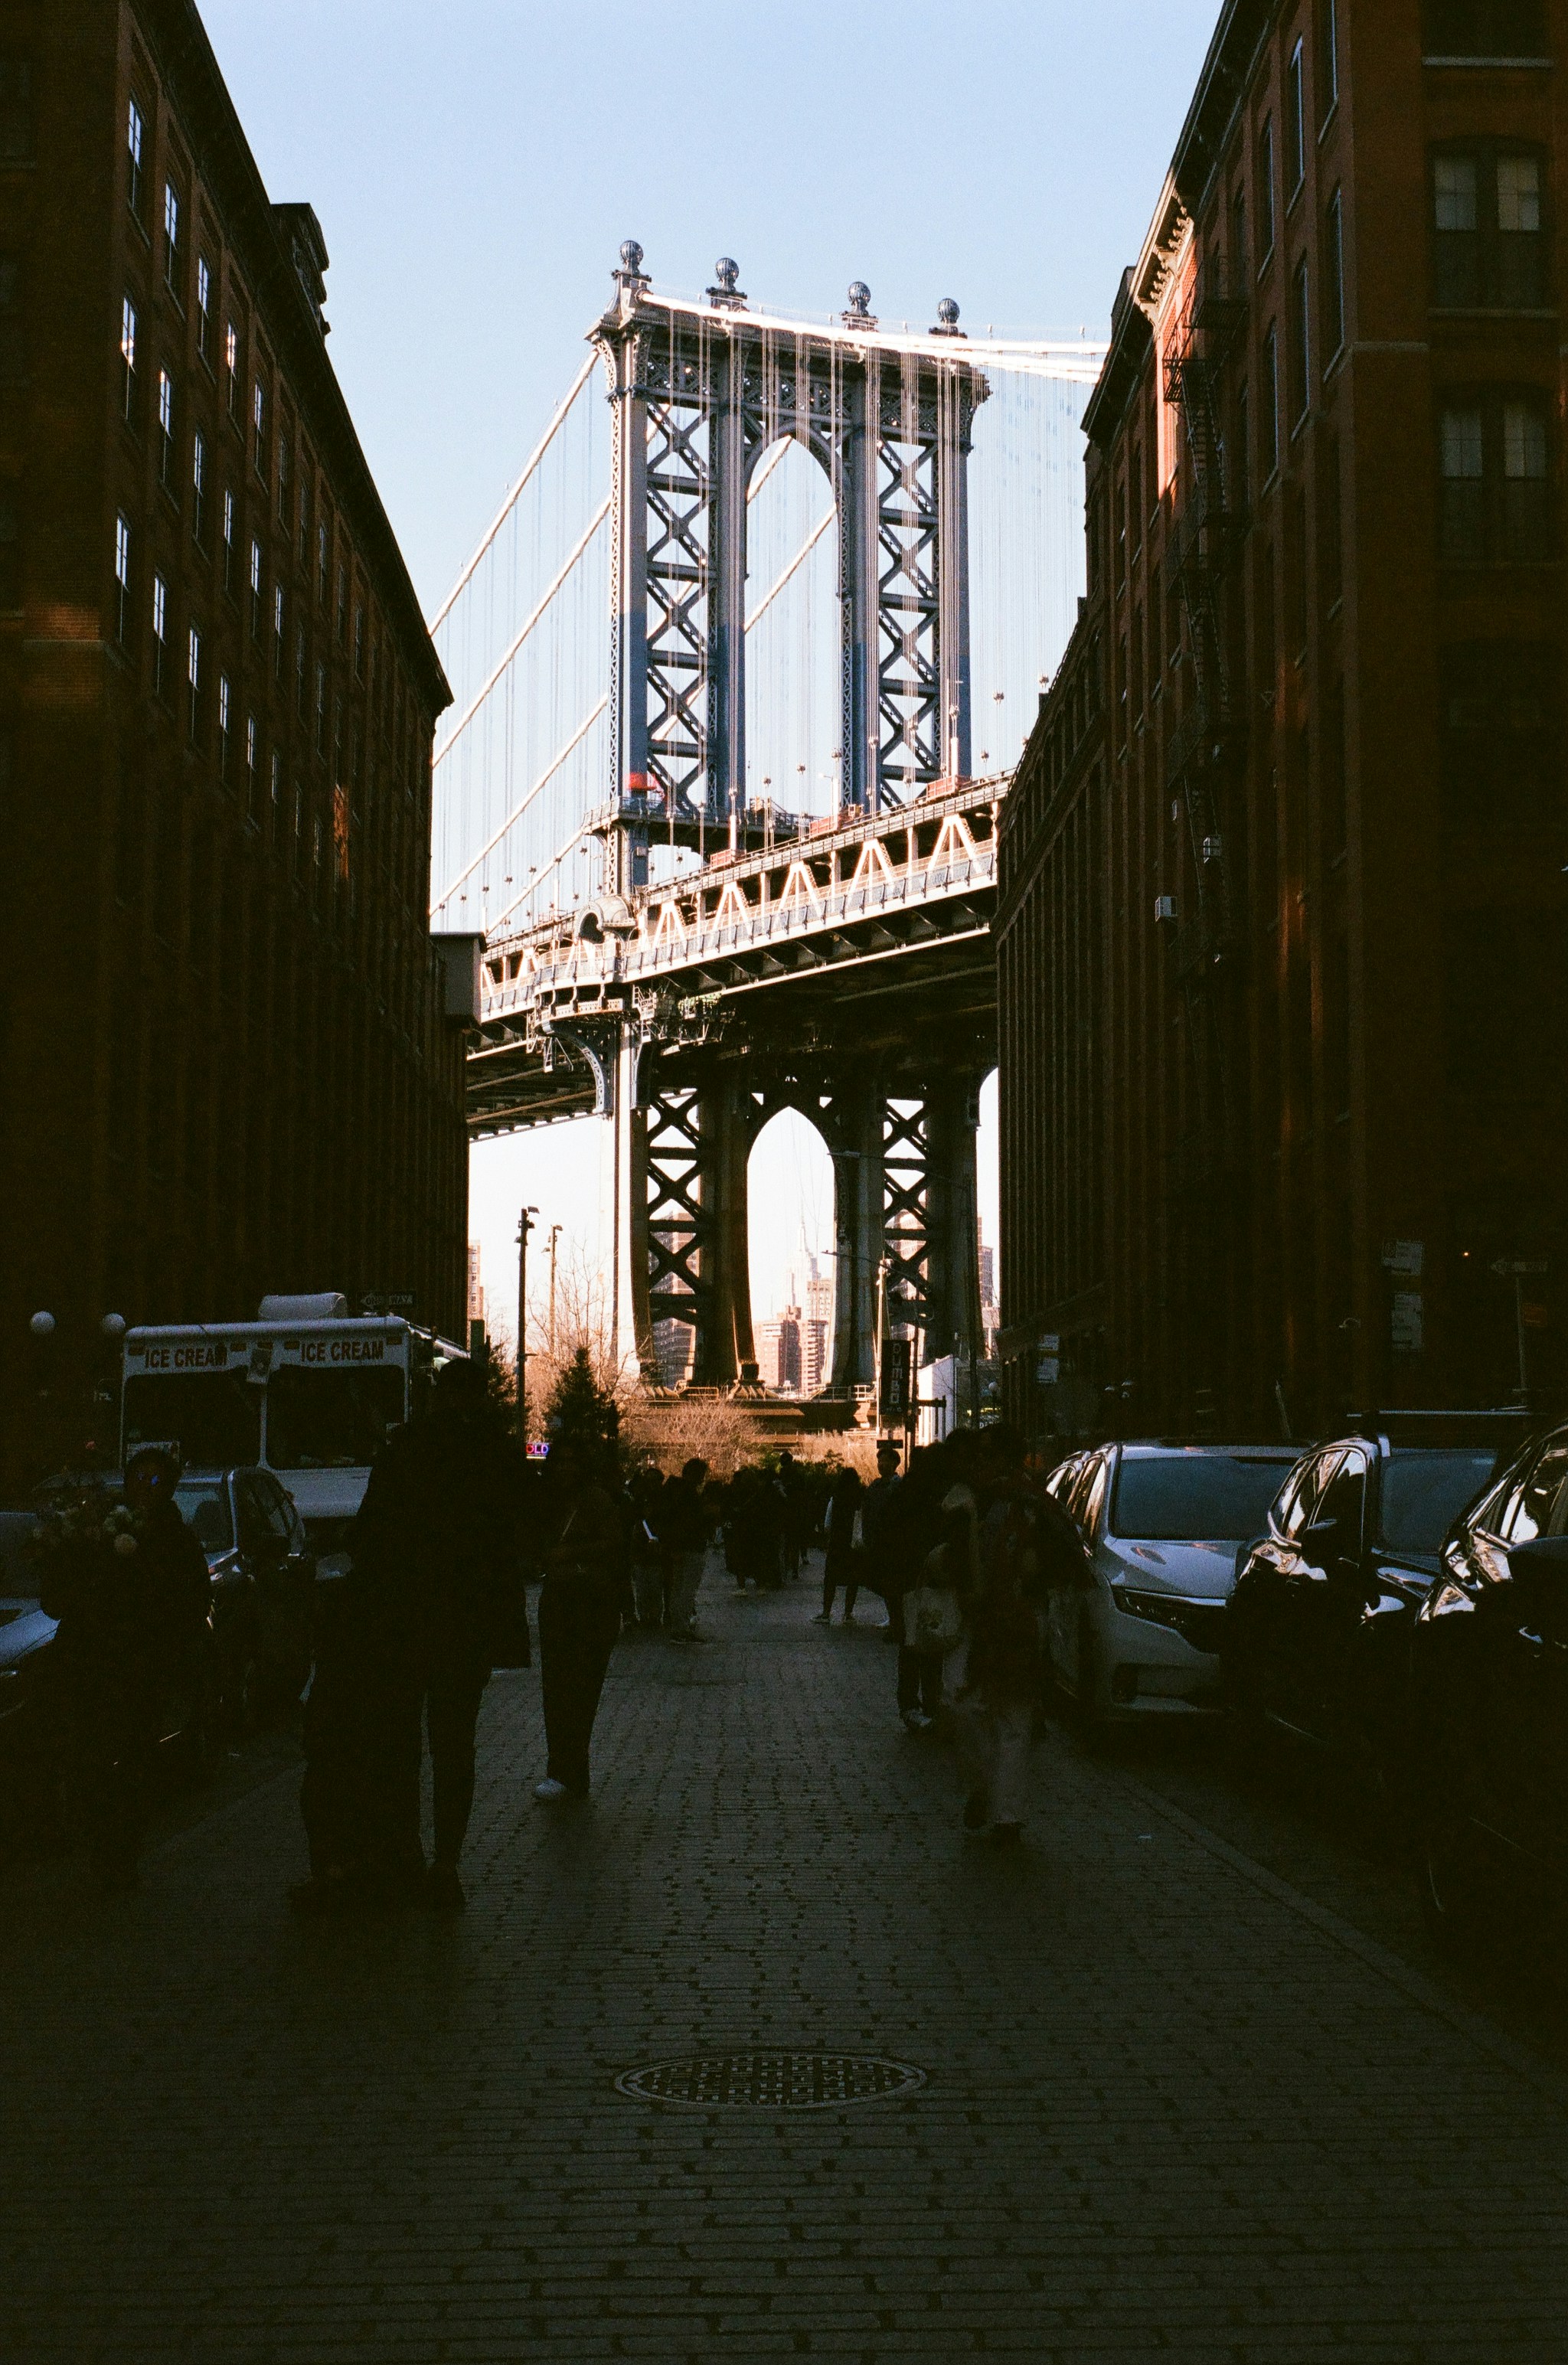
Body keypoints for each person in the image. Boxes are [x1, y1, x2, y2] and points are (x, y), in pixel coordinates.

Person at [330, 1354, 528, 1912]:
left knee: (401, 1741)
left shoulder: (407, 1446)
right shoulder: (497, 1450)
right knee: (454, 1744)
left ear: (438, 1394)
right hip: (467, 1622)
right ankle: (447, 1864)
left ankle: (405, 1854)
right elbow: (517, 1530)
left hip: (404, 1618)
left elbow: (368, 1533)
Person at [38, 1446, 211, 1893]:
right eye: (137, 1478)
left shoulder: (176, 1539)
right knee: (86, 1762)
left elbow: (189, 1604)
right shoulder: (98, 1529)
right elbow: (61, 1597)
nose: (143, 1488)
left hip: (140, 1671)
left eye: (154, 1481)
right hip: (90, 1667)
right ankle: (99, 1843)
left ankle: (120, 1855)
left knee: (134, 1766)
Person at [534, 1438, 631, 1801]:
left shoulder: (594, 1500)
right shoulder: (551, 1501)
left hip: (588, 1602)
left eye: (572, 1462)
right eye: (560, 1462)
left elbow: (614, 1544)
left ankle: (568, 1771)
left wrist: (565, 1553)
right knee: (560, 1689)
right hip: (564, 1599)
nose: (565, 1469)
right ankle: (567, 1770)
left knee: (576, 1690)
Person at [658, 1457, 710, 1638]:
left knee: (678, 1588)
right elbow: (688, 1523)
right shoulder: (688, 1495)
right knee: (687, 1590)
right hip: (691, 1546)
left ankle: (678, 1626)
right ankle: (681, 1628)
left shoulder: (674, 1491)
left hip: (679, 1546)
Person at [858, 1439, 903, 1640]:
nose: (881, 1465)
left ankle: (896, 1619)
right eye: (879, 1461)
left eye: (885, 1461)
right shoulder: (874, 1487)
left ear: (895, 1464)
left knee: (890, 1581)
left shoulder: (898, 1486)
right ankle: (893, 1617)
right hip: (875, 1540)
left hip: (892, 1542)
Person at [815, 1465, 864, 1623]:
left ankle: (826, 1613)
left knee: (830, 1579)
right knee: (853, 1580)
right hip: (854, 1545)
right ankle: (848, 1613)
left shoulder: (836, 1498)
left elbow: (827, 1524)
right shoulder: (860, 1497)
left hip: (837, 1543)